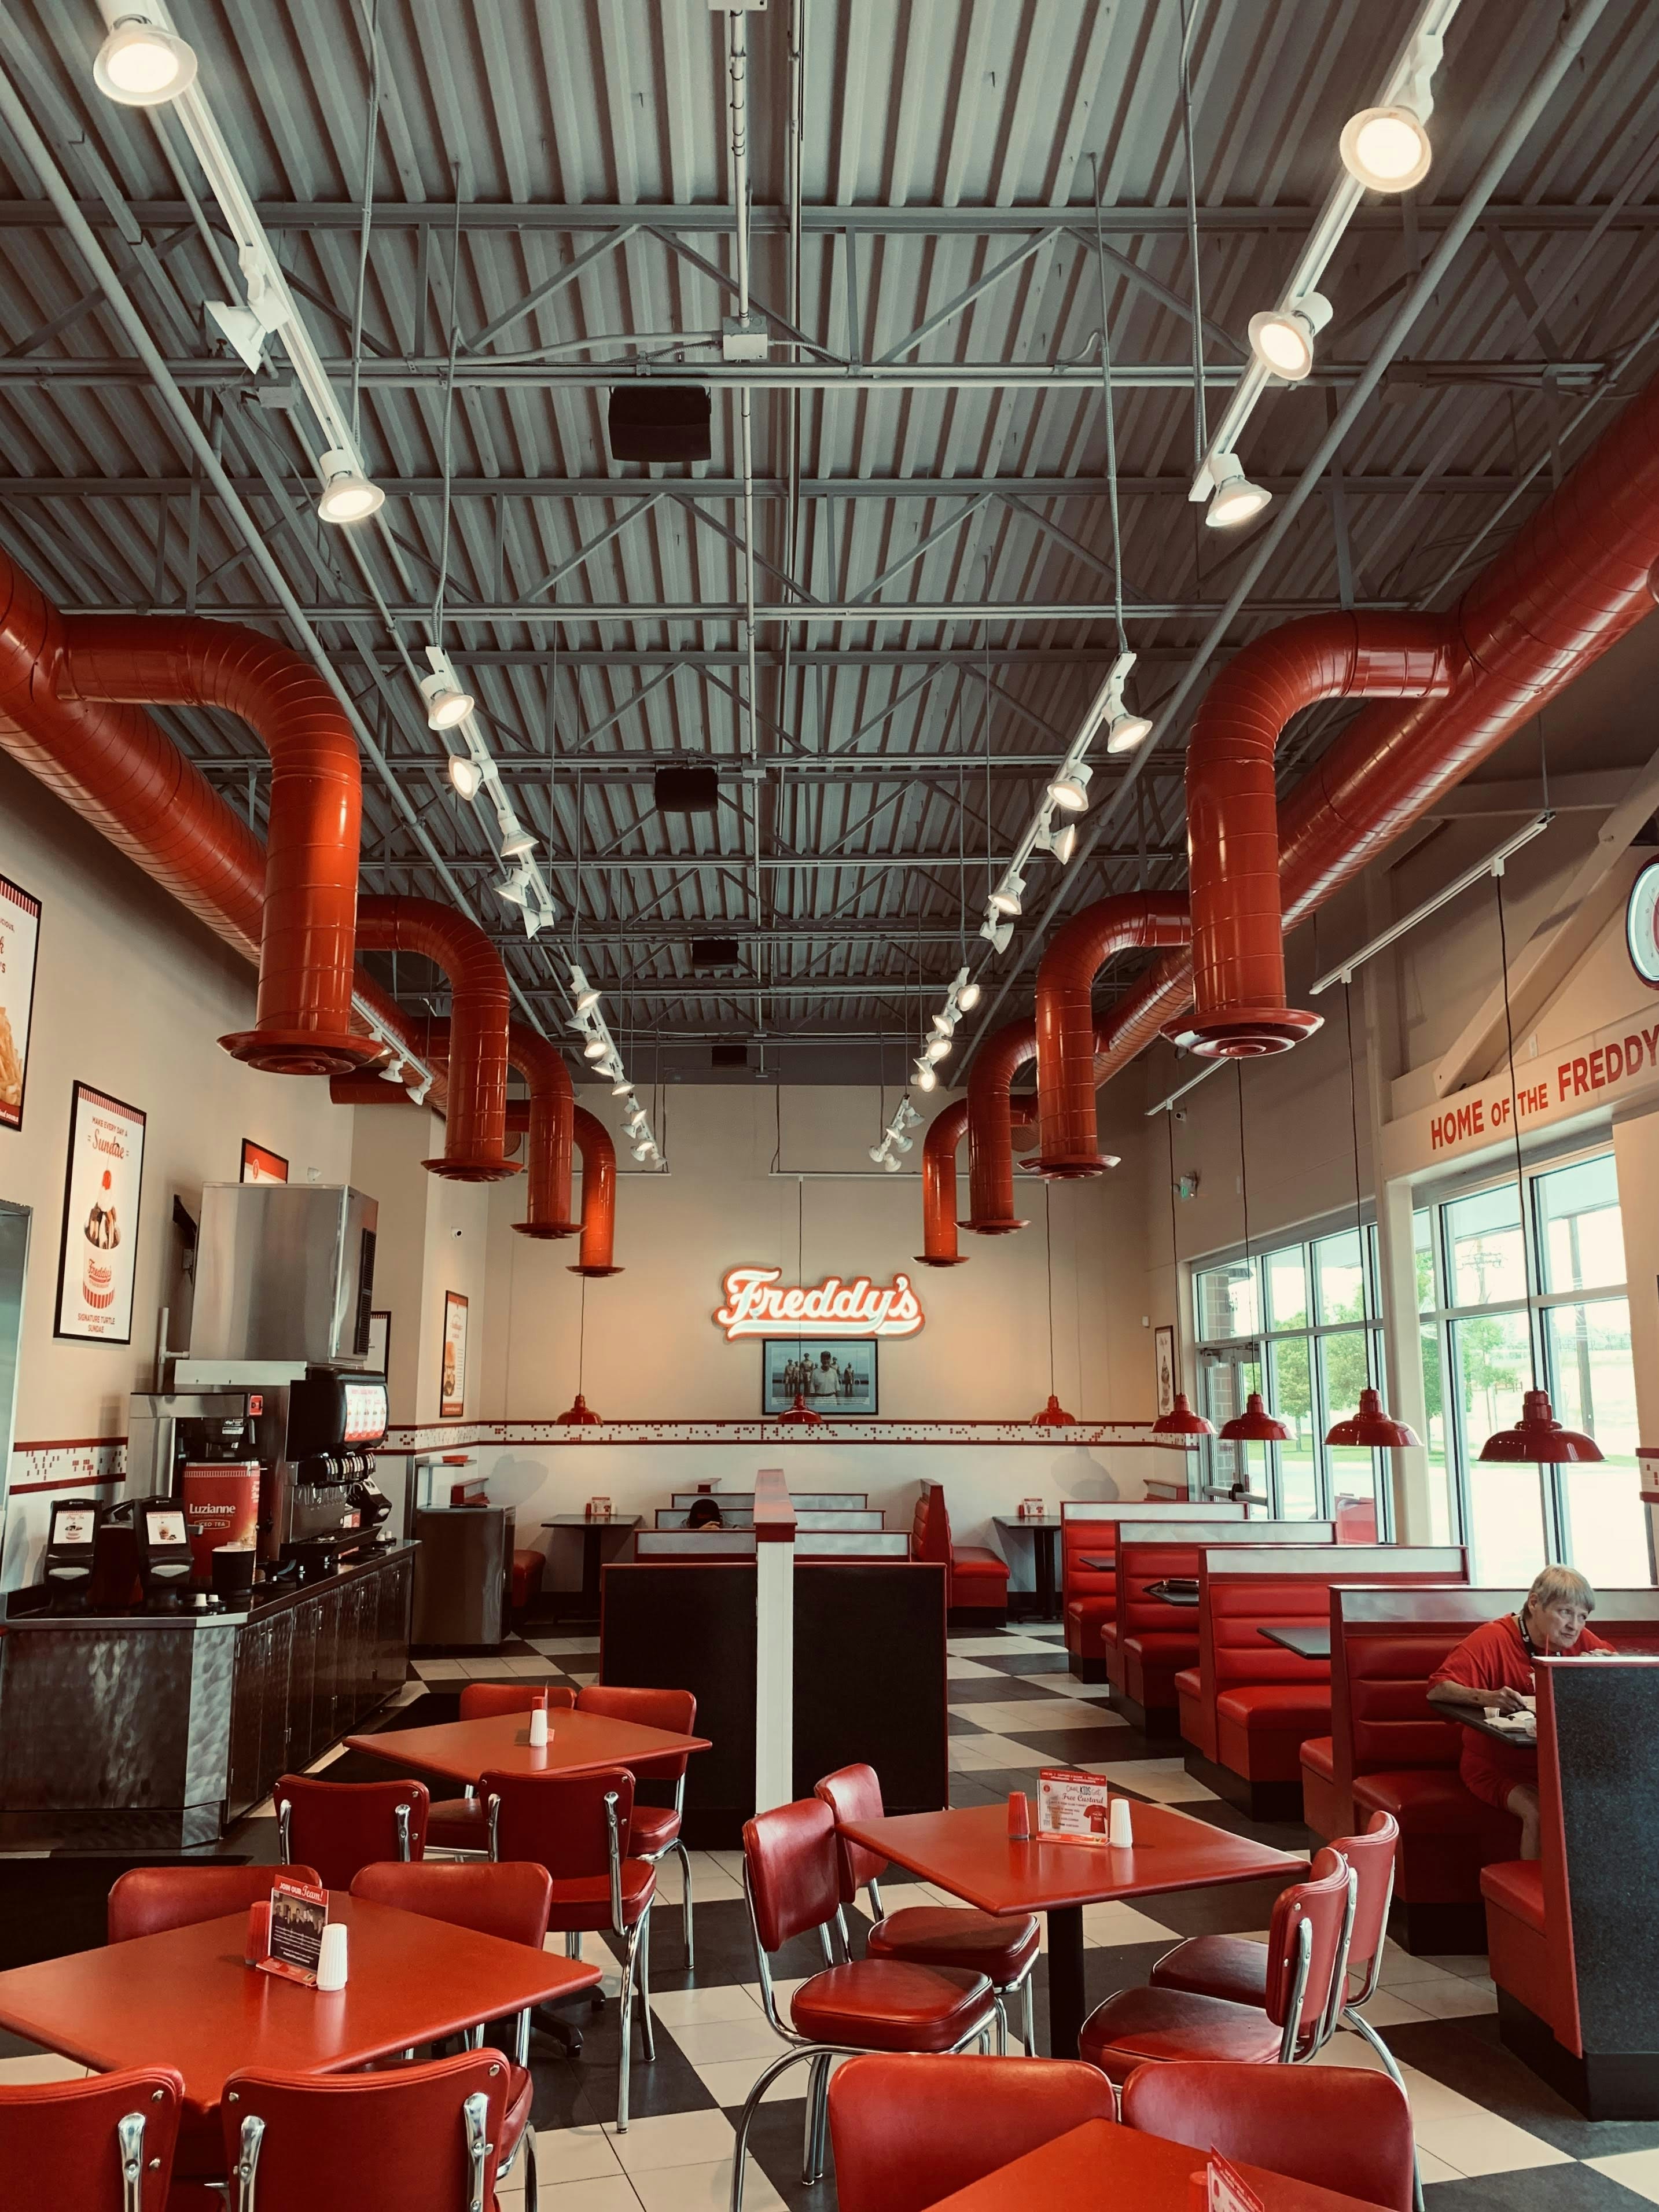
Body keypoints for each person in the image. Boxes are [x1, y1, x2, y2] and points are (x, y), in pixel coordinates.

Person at [1427, 1564, 1613, 1858]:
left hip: (1560, 1766)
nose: (1574, 1626)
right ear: (1535, 1603)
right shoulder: (1492, 1638)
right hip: (1497, 1766)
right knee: (1538, 1812)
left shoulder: (1580, 1640)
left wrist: (1609, 1668)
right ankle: (1532, 1889)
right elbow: (1438, 1689)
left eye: (1583, 1617)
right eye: (1565, 1612)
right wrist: (1488, 1697)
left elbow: (1624, 1677)